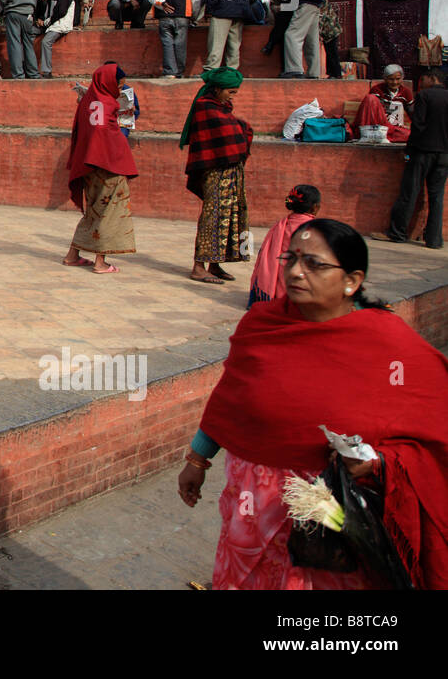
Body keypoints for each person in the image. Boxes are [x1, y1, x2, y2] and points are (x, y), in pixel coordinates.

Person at [178, 219, 448, 590]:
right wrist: (197, 458)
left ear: (351, 280)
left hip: (332, 515)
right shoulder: (262, 325)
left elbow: (434, 427)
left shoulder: (390, 345)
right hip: (252, 505)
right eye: (290, 259)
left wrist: (377, 463)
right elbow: (233, 398)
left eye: (314, 264)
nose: (295, 272)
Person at [63, 63, 138, 274]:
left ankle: (72, 255)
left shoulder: (88, 101)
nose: (120, 89)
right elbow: (108, 136)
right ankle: (100, 261)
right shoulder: (107, 103)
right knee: (110, 211)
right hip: (108, 165)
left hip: (88, 165)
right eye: (119, 84)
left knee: (93, 210)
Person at [180, 67, 253, 283]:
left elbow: (235, 131)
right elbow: (232, 132)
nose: (232, 96)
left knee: (230, 216)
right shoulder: (205, 108)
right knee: (212, 217)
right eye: (230, 91)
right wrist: (243, 128)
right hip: (214, 171)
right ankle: (199, 266)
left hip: (231, 172)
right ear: (217, 89)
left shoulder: (223, 107)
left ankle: (215, 263)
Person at [378, 69, 448, 249]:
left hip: (423, 151)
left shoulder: (425, 95)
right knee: (437, 196)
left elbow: (418, 125)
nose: (420, 83)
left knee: (410, 191)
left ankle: (398, 233)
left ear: (432, 78)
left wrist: (409, 151)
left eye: (422, 79)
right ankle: (434, 240)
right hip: (444, 154)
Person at [247, 184, 322, 306]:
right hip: (297, 290)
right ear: (315, 208)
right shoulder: (314, 229)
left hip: (276, 287)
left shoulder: (281, 225)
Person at [0, 0, 40, 79]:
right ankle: (33, 73)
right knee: (28, 43)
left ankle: (18, 74)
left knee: (15, 43)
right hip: (28, 13)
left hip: (13, 12)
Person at [33, 0, 74, 78]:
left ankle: (47, 71)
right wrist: (42, 4)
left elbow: (60, 13)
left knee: (46, 42)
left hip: (59, 24)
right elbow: (40, 13)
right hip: (48, 24)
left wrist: (47, 22)